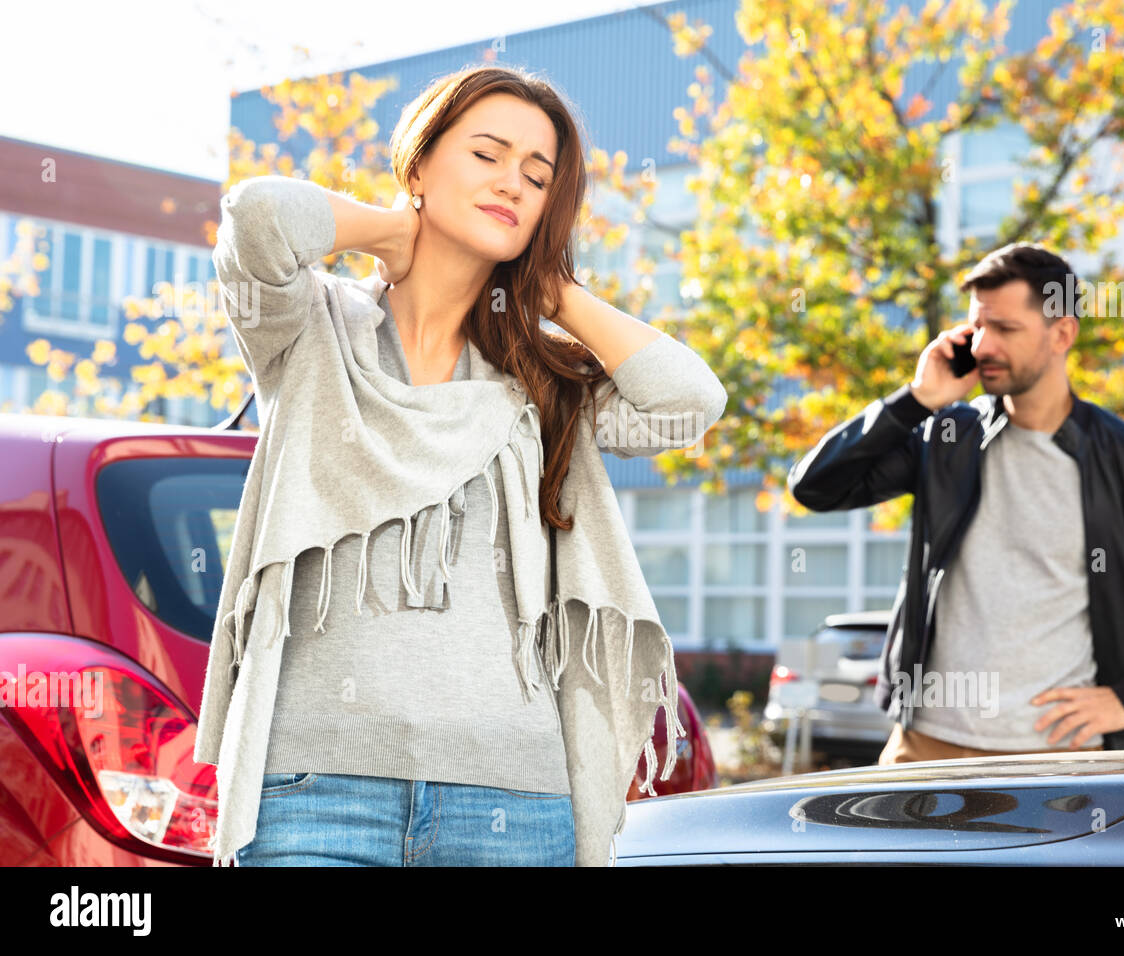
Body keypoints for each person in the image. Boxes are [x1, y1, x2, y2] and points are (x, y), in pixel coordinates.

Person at [193, 66, 727, 865]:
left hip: (512, 799)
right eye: (487, 153)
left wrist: (556, 292)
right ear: (420, 163)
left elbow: (689, 400)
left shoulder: (543, 380)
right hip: (317, 791)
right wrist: (388, 230)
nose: (512, 182)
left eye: (537, 176)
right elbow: (257, 217)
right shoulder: (313, 329)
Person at [787, 241, 1124, 764]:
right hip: (925, 748)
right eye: (977, 327)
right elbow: (815, 487)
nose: (982, 346)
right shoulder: (947, 435)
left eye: (1005, 329)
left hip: (1061, 765)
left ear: (1061, 333)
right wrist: (916, 399)